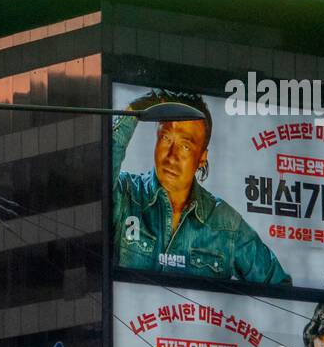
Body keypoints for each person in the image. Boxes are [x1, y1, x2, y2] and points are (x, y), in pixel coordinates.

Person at [112, 88, 290, 284]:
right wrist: (135, 109)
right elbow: (97, 173)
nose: (172, 156)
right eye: (166, 139)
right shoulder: (126, 193)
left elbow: (280, 287)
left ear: (202, 157)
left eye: (185, 146)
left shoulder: (225, 224)